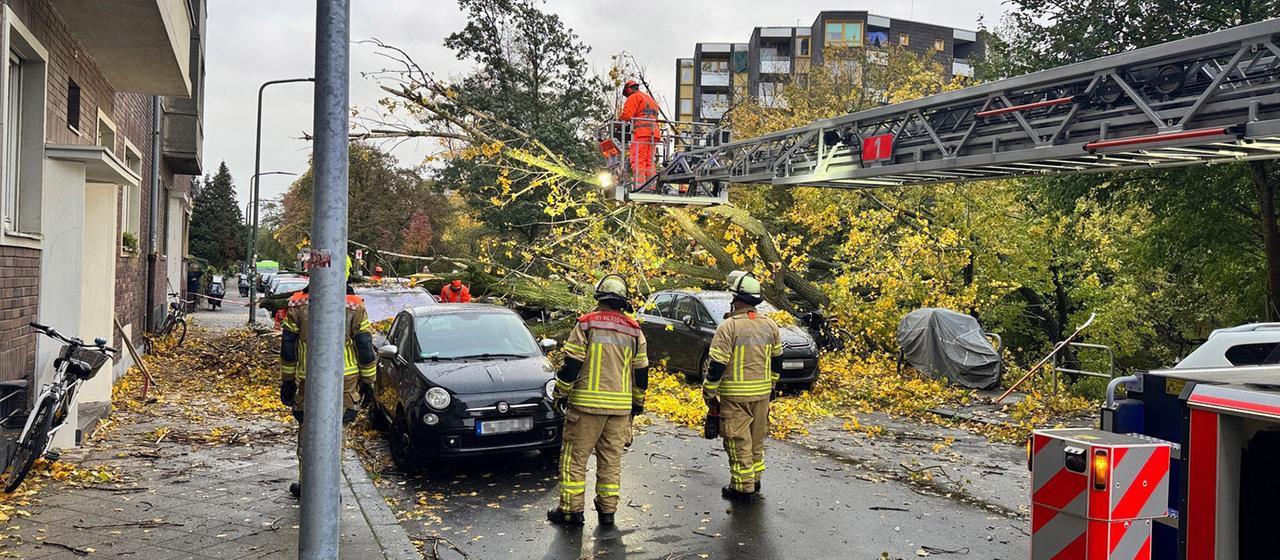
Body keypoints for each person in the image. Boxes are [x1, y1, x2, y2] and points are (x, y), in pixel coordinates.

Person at [547, 275, 649, 526]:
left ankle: (571, 511)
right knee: (611, 460)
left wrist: (560, 393)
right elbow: (641, 372)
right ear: (623, 301)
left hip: (586, 408)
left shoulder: (586, 324)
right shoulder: (634, 330)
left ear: (600, 297)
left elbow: (571, 364)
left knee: (575, 459)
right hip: (619, 409)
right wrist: (636, 404)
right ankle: (607, 512)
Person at [278, 258, 377, 498]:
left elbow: (288, 347)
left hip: (308, 380)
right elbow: (364, 346)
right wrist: (368, 382)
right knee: (337, 431)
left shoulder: (298, 303)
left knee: (307, 428)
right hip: (346, 380)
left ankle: (307, 482)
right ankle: (330, 487)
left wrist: (287, 381)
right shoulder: (355, 306)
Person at [703, 271, 782, 501]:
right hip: (762, 395)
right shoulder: (770, 326)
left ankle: (742, 488)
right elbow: (777, 361)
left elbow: (716, 365)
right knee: (756, 441)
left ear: (736, 299)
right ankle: (755, 481)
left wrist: (709, 392)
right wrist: (773, 385)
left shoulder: (728, 327)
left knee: (738, 442)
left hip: (735, 398)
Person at [618, 79, 662, 188]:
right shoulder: (650, 99)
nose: (627, 97)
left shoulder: (634, 97)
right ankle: (651, 186)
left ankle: (639, 186)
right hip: (654, 133)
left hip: (642, 132)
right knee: (649, 161)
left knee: (638, 159)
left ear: (629, 89)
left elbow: (626, 116)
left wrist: (618, 123)